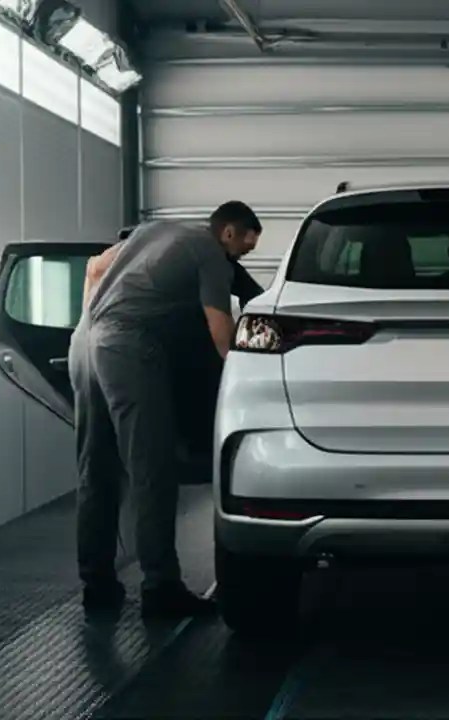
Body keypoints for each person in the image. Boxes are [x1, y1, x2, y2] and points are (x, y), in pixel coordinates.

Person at [70, 201, 261, 619]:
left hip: (84, 340)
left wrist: (96, 321)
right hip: (127, 347)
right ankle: (161, 588)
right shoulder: (211, 253)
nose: (240, 258)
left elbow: (94, 267)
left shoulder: (152, 232)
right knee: (151, 469)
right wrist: (249, 384)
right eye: (244, 248)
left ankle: (96, 584)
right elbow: (221, 333)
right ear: (228, 233)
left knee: (96, 468)